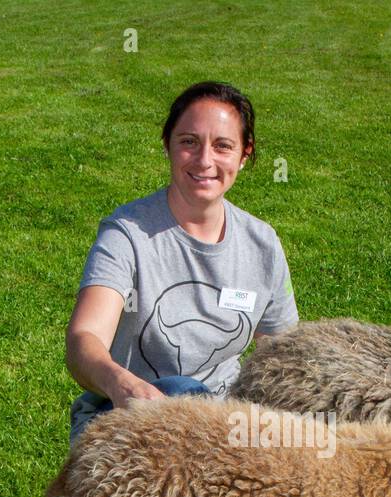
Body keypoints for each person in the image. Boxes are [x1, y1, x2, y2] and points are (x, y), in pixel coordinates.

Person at [66, 81, 300, 444]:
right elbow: (84, 339)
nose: (205, 160)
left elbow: (282, 353)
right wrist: (122, 385)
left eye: (223, 146)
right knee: (178, 389)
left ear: (243, 154)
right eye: (189, 142)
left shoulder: (262, 244)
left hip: (222, 422)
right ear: (168, 147)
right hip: (125, 415)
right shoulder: (128, 233)